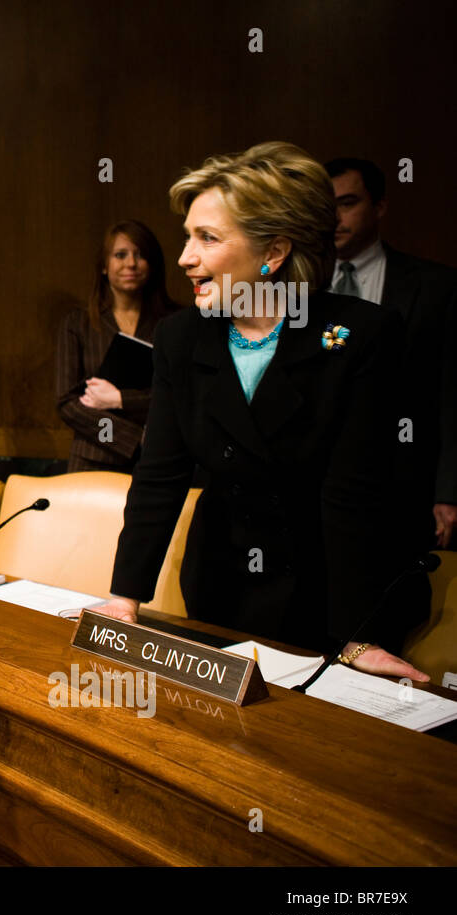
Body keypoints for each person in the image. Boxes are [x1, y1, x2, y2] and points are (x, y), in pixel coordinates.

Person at [95, 142, 429, 680]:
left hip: (328, 594)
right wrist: (123, 599)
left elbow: (354, 495)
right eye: (187, 236)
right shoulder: (180, 337)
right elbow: (159, 476)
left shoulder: (360, 334)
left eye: (207, 238)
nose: (184, 258)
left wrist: (357, 637)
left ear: (272, 252)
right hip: (221, 583)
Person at [324, 157, 457, 551]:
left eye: (347, 203)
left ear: (379, 206)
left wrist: (449, 492)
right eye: (326, 206)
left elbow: (452, 395)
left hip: (405, 481)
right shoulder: (298, 290)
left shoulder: (437, 287)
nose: (335, 217)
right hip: (318, 483)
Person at [55, 220, 178, 472]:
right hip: (92, 459)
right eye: (120, 255)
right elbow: (66, 403)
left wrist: (119, 399)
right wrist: (134, 438)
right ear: (104, 265)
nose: (131, 263)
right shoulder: (78, 322)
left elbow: (180, 395)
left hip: (157, 462)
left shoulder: (176, 322)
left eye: (140, 255)